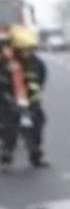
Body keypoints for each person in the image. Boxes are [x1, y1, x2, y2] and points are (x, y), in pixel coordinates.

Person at [0, 25, 49, 170]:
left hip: (31, 101)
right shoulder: (5, 63)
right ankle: (6, 157)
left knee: (37, 125)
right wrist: (8, 100)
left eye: (30, 50)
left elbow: (40, 80)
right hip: (8, 101)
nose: (28, 53)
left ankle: (36, 156)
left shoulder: (37, 63)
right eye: (25, 50)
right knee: (10, 127)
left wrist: (32, 100)